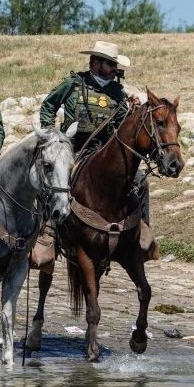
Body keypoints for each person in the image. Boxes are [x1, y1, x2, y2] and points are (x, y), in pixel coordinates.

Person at [32, 41, 157, 263]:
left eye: (114, 65)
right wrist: (51, 136)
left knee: (140, 181)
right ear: (95, 63)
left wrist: (133, 112)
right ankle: (47, 232)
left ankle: (142, 229)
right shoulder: (72, 83)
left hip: (103, 153)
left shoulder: (118, 93)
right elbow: (48, 106)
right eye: (110, 64)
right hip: (73, 149)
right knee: (55, 179)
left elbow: (122, 128)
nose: (114, 69)